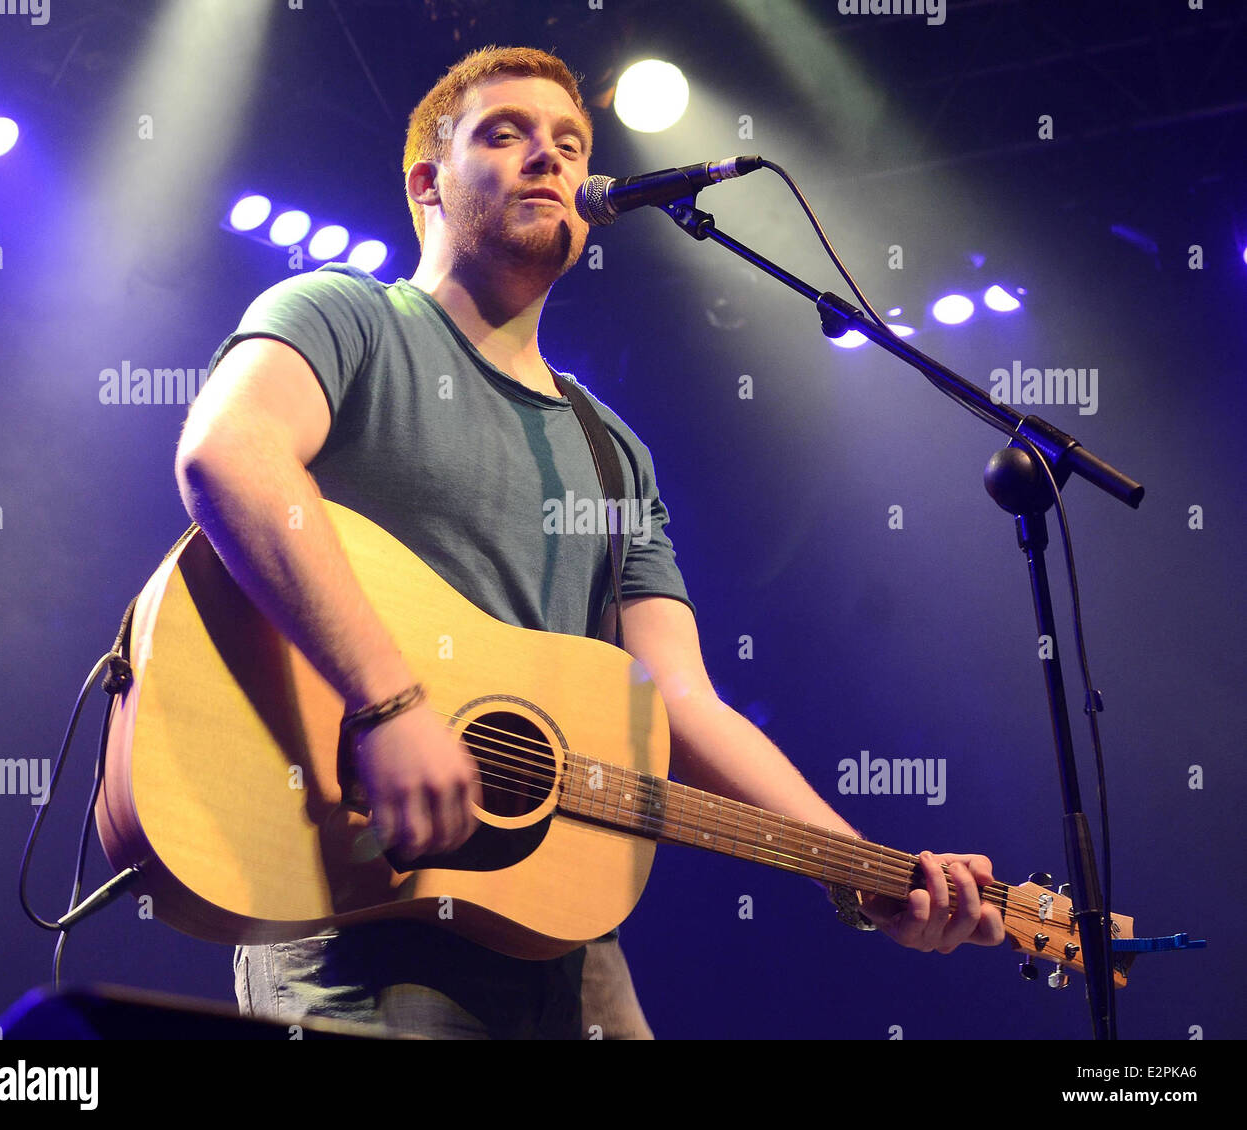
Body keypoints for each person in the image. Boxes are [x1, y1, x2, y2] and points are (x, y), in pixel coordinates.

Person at [175, 45, 1005, 1040]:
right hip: (356, 909)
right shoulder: (342, 314)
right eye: (506, 134)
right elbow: (229, 456)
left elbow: (681, 703)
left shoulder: (612, 451)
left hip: (558, 934)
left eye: (569, 144)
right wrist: (390, 701)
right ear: (426, 183)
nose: (549, 158)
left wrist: (859, 865)